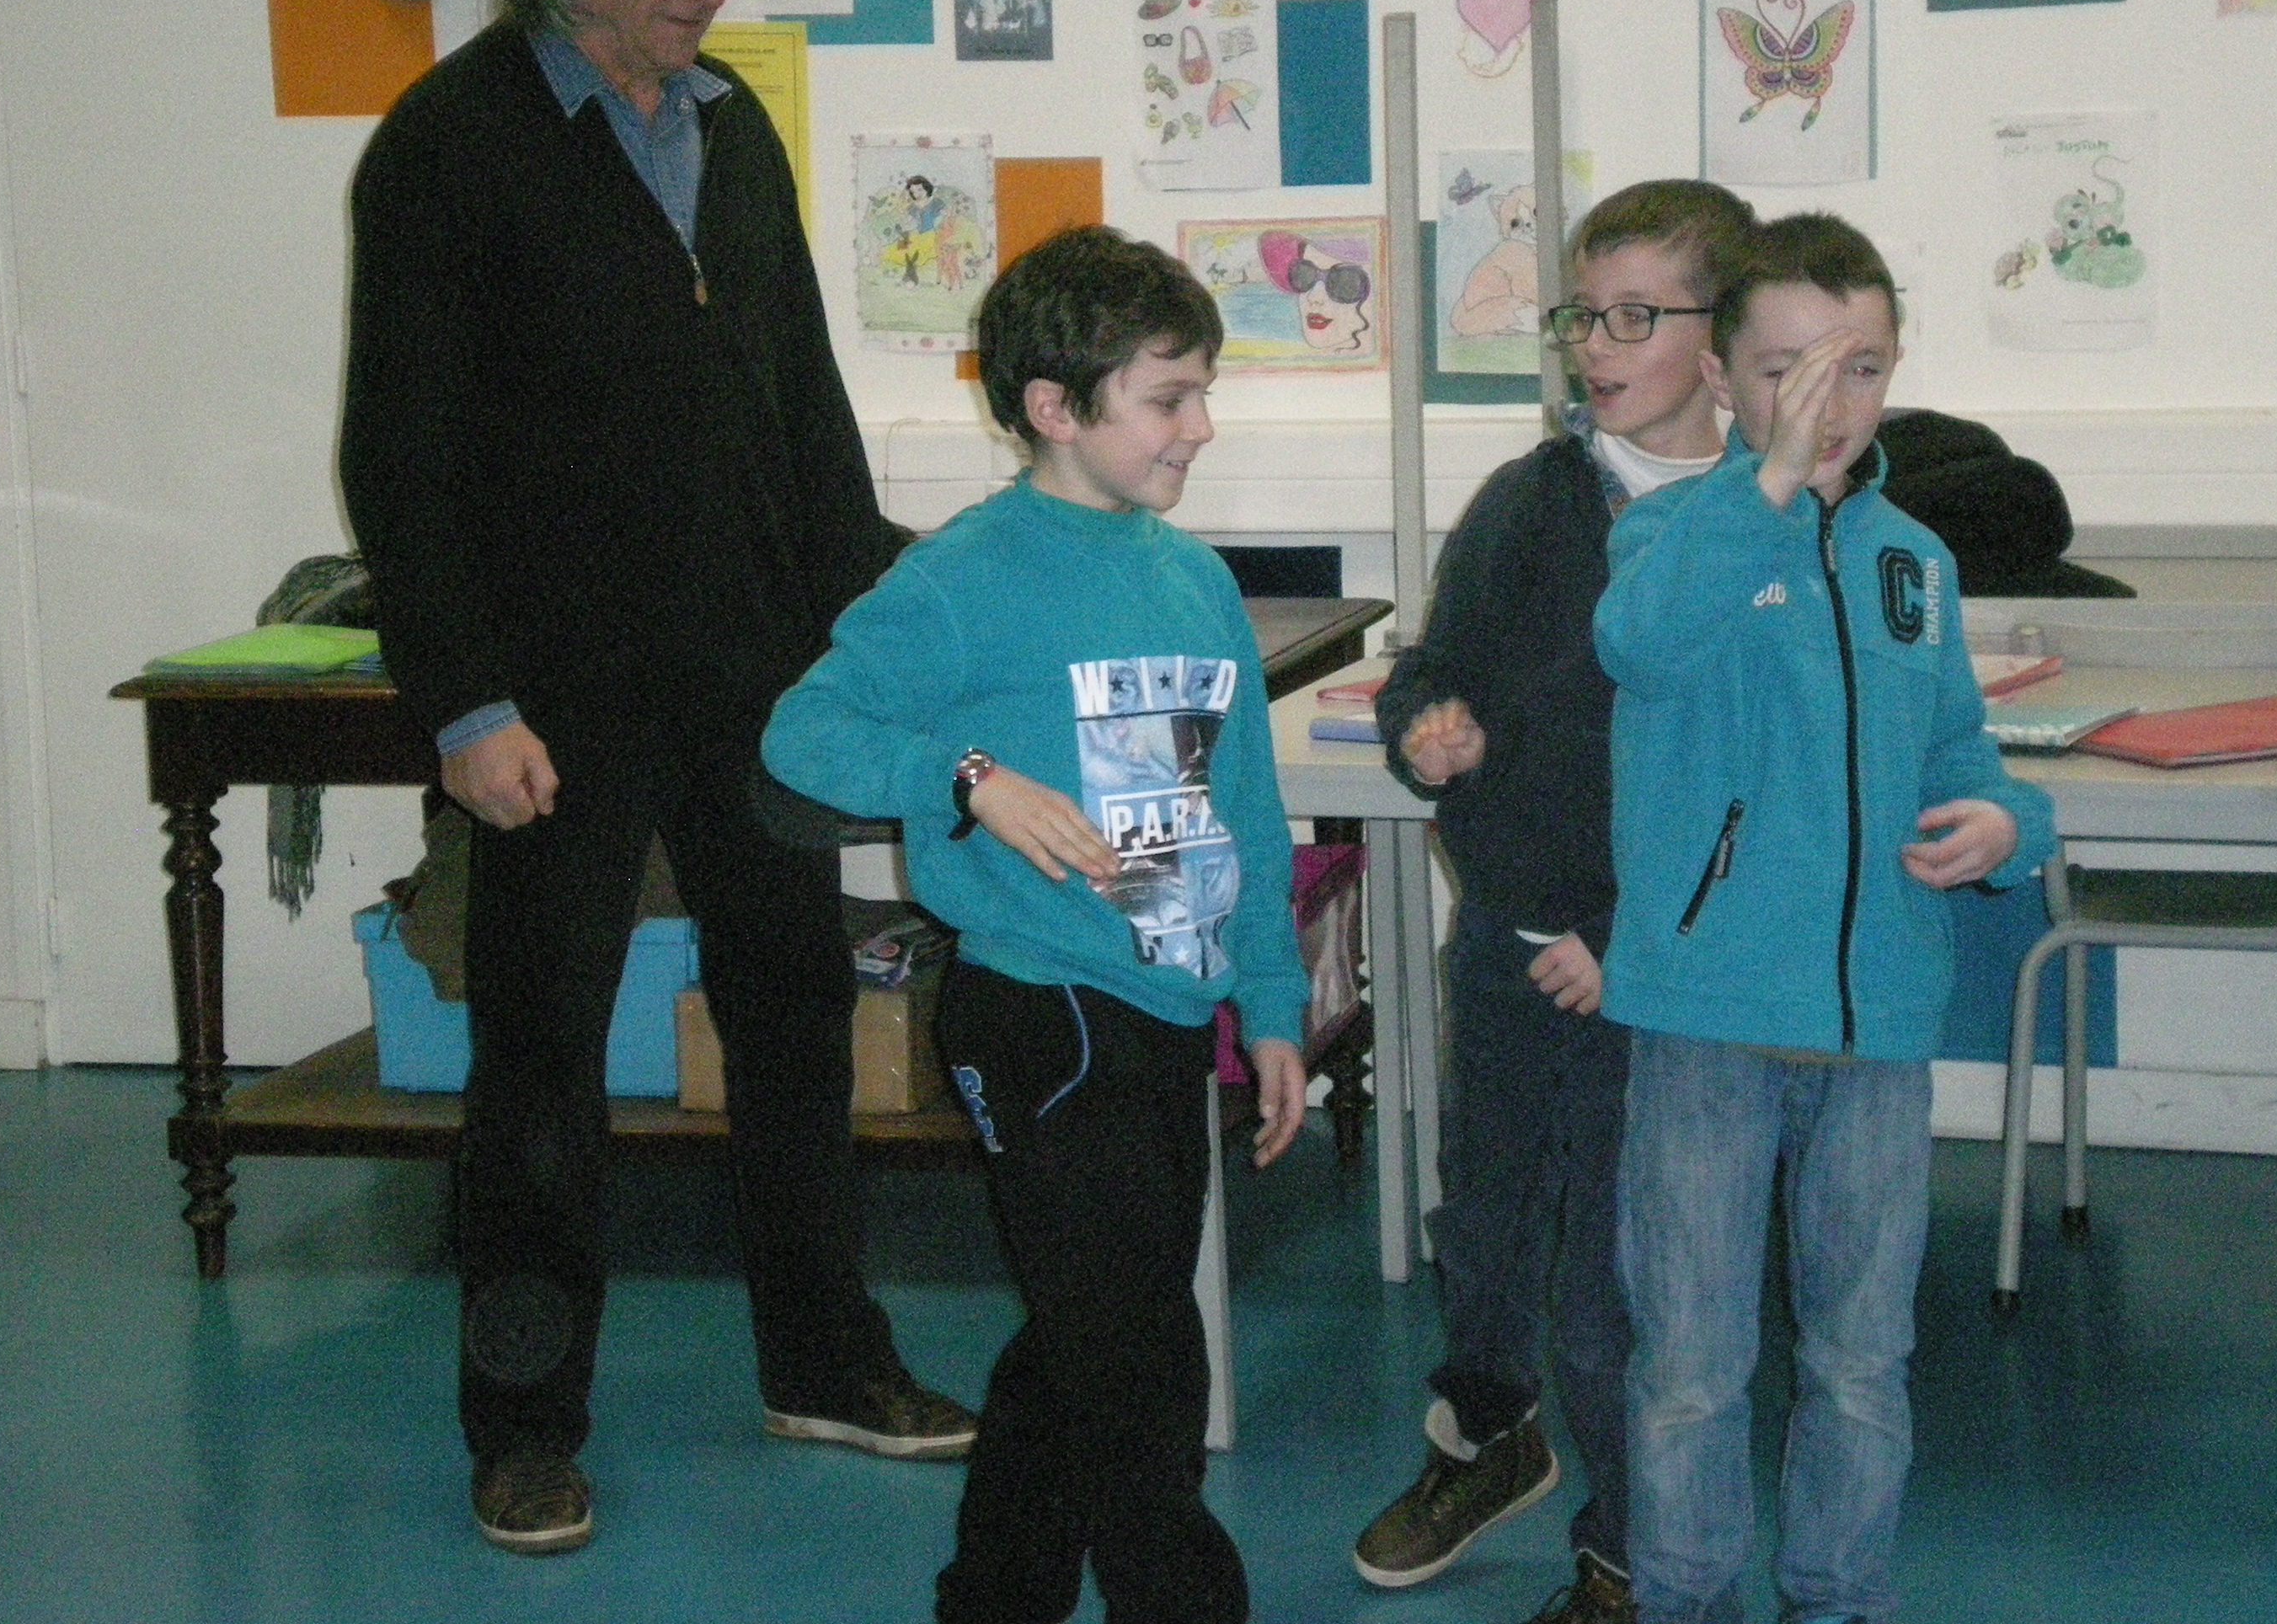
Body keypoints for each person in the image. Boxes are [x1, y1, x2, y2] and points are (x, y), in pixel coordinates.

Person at [338, 0, 973, 1559]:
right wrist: (463, 702)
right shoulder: (451, 147)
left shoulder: (730, 131)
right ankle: (524, 1429)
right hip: (554, 687)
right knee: (541, 1065)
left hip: (754, 670)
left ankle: (826, 1360)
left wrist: (900, 629)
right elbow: (401, 456)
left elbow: (806, 423)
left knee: (793, 1017)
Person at [762, 227, 1311, 1624]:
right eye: (1167, 398)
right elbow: (804, 731)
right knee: (1140, 1358)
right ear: (1055, 409)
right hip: (1036, 1012)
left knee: (1084, 1340)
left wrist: (1277, 1009)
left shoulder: (1189, 580)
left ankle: (992, 1598)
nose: (1201, 426)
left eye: (1201, 393)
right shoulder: (968, 576)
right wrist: (966, 779)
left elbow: (1240, 814)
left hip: (1167, 1013)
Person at [1591, 213, 2058, 1624]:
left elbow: (1960, 749)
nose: (1827, 404)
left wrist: (2004, 827)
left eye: (1859, 370)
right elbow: (1642, 642)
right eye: (1788, 370)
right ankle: (1682, 1599)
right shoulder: (1676, 528)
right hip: (1708, 1019)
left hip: (1878, 1031)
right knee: (1689, 1366)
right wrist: (1772, 488)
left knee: (1864, 1360)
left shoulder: (1917, 560)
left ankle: (1838, 1599)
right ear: (1725, 379)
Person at [1351, 180, 1753, 1624]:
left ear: (1724, 338)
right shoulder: (1532, 499)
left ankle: (1629, 1553)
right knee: (1488, 1226)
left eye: (1637, 317)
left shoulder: (1760, 519)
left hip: (1658, 970)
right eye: (1586, 314)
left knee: (1614, 1297)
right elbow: (1430, 664)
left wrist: (1634, 936)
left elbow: (1751, 788)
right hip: (1513, 946)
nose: (1598, 345)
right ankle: (1488, 1437)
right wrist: (1430, 722)